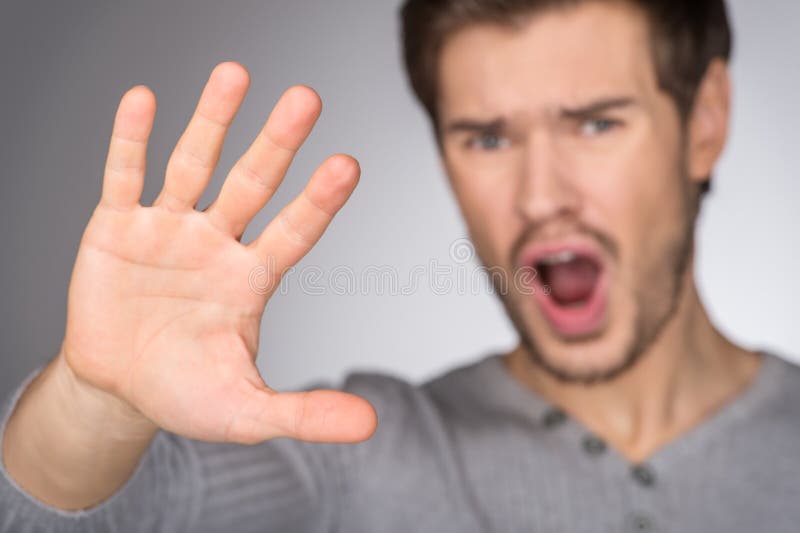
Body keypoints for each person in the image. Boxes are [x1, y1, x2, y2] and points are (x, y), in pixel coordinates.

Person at [1, 0, 798, 531]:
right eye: (487, 138)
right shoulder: (372, 455)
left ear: (705, 121)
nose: (538, 197)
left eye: (595, 124)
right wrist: (95, 398)